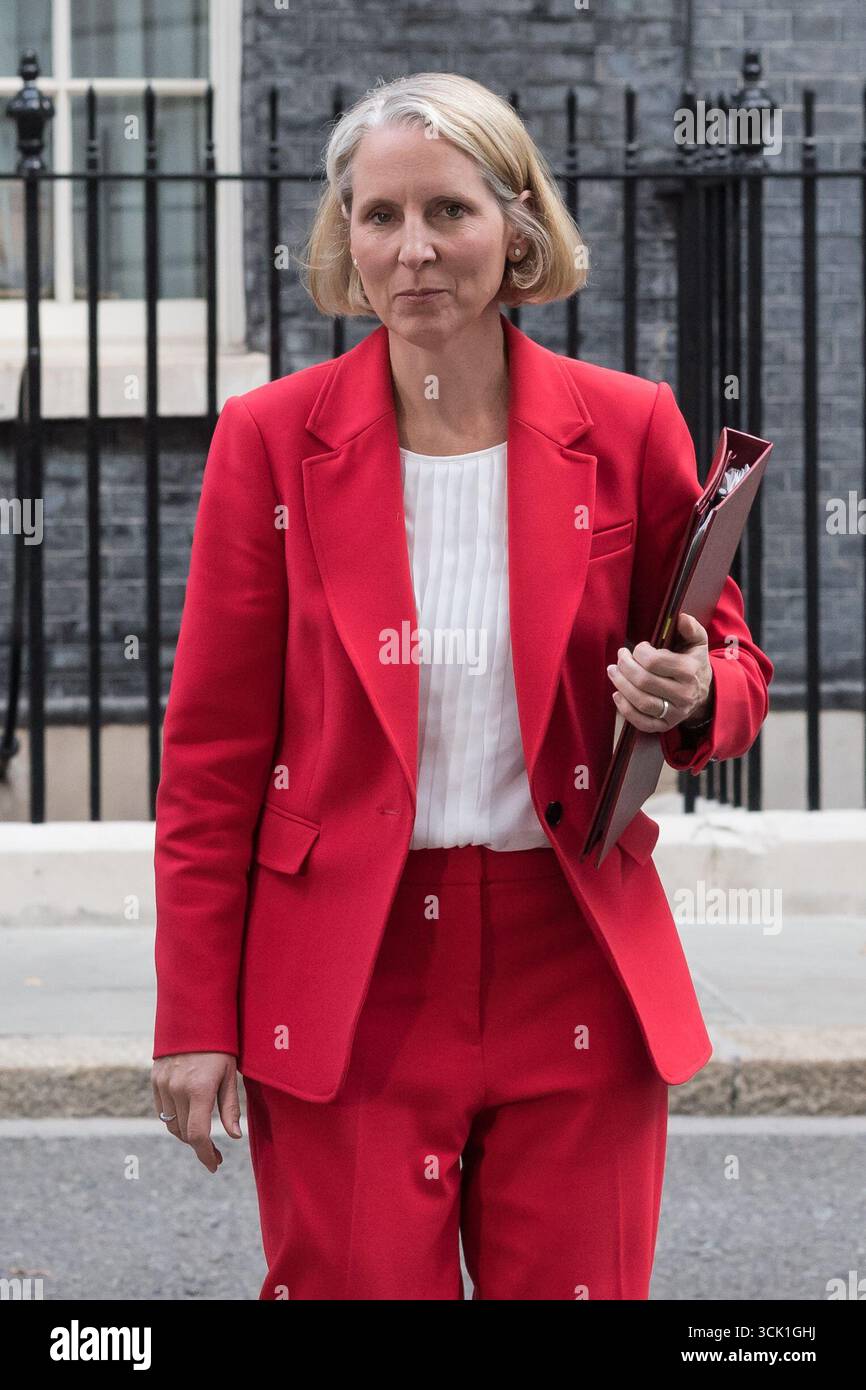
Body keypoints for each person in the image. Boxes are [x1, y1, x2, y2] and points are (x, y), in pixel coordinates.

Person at [151, 72, 773, 1301]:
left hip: (570, 953)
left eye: (448, 210)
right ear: (344, 239)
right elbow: (213, 752)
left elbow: (734, 671)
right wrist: (192, 1013)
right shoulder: (269, 439)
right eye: (377, 217)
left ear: (517, 228)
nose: (414, 250)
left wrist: (694, 691)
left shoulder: (628, 424)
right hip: (347, 968)